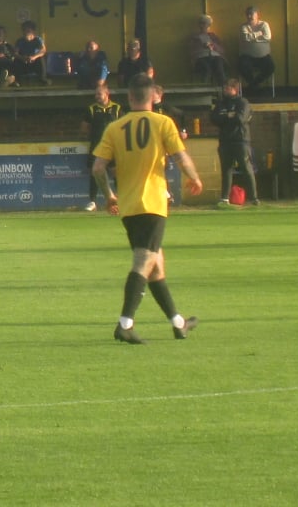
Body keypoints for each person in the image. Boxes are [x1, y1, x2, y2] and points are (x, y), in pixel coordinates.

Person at [91, 75, 203, 343]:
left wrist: (109, 195)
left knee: (156, 265)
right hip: (153, 203)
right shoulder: (164, 123)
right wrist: (194, 177)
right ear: (153, 96)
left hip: (128, 206)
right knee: (144, 261)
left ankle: (178, 323)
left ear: (129, 98)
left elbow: (97, 168)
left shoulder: (115, 127)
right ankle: (125, 324)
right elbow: (181, 156)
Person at [209, 78, 259, 207]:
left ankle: (254, 198)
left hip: (240, 140)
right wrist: (229, 116)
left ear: (235, 90)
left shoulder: (242, 102)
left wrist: (226, 117)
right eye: (224, 88)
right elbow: (214, 119)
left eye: (228, 88)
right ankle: (224, 198)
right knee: (226, 169)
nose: (225, 90)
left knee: (246, 167)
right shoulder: (221, 103)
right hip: (225, 140)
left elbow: (240, 119)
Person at [80, 81, 122, 212]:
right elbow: (85, 127)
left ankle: (121, 200)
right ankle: (92, 201)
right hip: (97, 146)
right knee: (95, 173)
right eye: (96, 94)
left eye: (99, 94)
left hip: (114, 147)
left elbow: (122, 126)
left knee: (116, 173)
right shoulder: (91, 109)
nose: (97, 96)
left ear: (107, 94)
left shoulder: (117, 108)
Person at [238, 6, 275, 96]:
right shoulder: (244, 26)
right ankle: (255, 86)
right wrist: (259, 33)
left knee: (271, 67)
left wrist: (252, 37)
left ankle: (254, 84)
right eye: (248, 14)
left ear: (257, 15)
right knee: (241, 66)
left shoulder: (264, 24)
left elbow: (267, 37)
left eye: (252, 14)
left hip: (263, 55)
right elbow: (246, 38)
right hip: (247, 56)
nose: (249, 16)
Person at [189, 15, 228, 87]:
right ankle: (205, 91)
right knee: (207, 70)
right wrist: (202, 47)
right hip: (201, 57)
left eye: (204, 23)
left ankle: (224, 90)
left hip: (215, 56)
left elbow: (222, 50)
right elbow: (192, 51)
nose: (202, 25)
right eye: (201, 23)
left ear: (209, 25)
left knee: (219, 68)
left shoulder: (214, 36)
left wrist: (213, 45)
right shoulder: (194, 37)